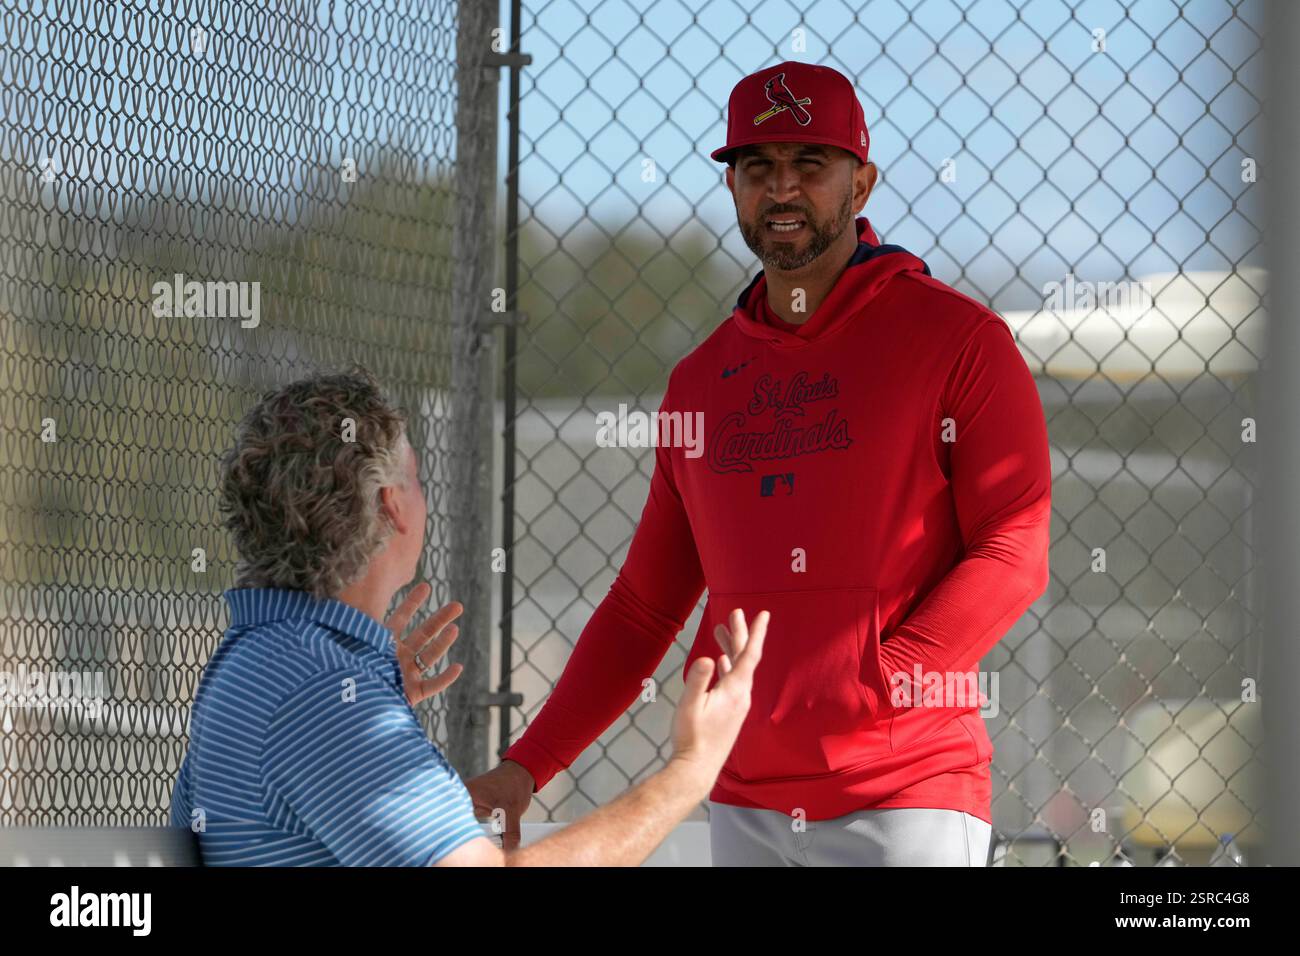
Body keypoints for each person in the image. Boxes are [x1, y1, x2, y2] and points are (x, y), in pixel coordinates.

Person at [467, 61, 1052, 866]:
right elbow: (645, 605)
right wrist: (527, 767)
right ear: (736, 188)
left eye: (810, 165)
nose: (782, 189)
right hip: (741, 794)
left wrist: (880, 680)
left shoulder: (959, 341)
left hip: (907, 791)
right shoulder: (702, 381)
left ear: (863, 182)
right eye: (757, 168)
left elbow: (1013, 552)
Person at [168, 367, 767, 865]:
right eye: (417, 477)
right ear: (392, 507)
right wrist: (692, 769)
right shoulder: (320, 691)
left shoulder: (254, 664)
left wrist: (365, 695)